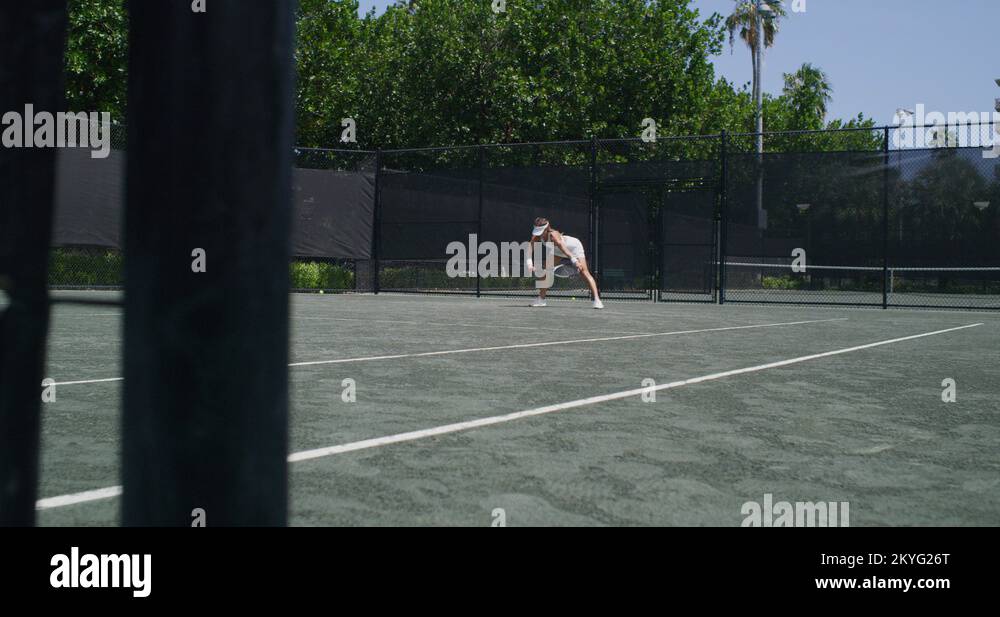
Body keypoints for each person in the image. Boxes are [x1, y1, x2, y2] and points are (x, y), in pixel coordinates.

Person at [526, 217, 603, 309]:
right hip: (557, 251)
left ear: (547, 229)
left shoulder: (554, 236)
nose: (539, 233)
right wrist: (529, 263)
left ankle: (597, 300)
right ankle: (541, 299)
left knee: (584, 272)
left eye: (541, 230)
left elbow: (565, 250)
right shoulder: (537, 236)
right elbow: (530, 247)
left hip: (573, 248)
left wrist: (575, 261)